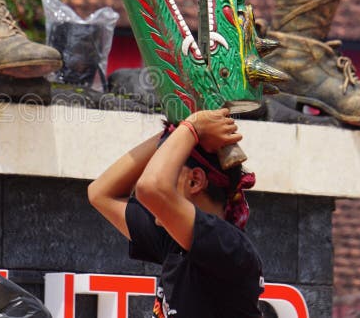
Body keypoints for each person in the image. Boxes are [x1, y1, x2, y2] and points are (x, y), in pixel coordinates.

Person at [87, 108, 264, 317]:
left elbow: (151, 189)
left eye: (166, 171)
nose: (152, 172)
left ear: (194, 181)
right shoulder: (176, 242)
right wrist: (176, 129)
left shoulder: (227, 246)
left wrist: (192, 127)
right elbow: (101, 194)